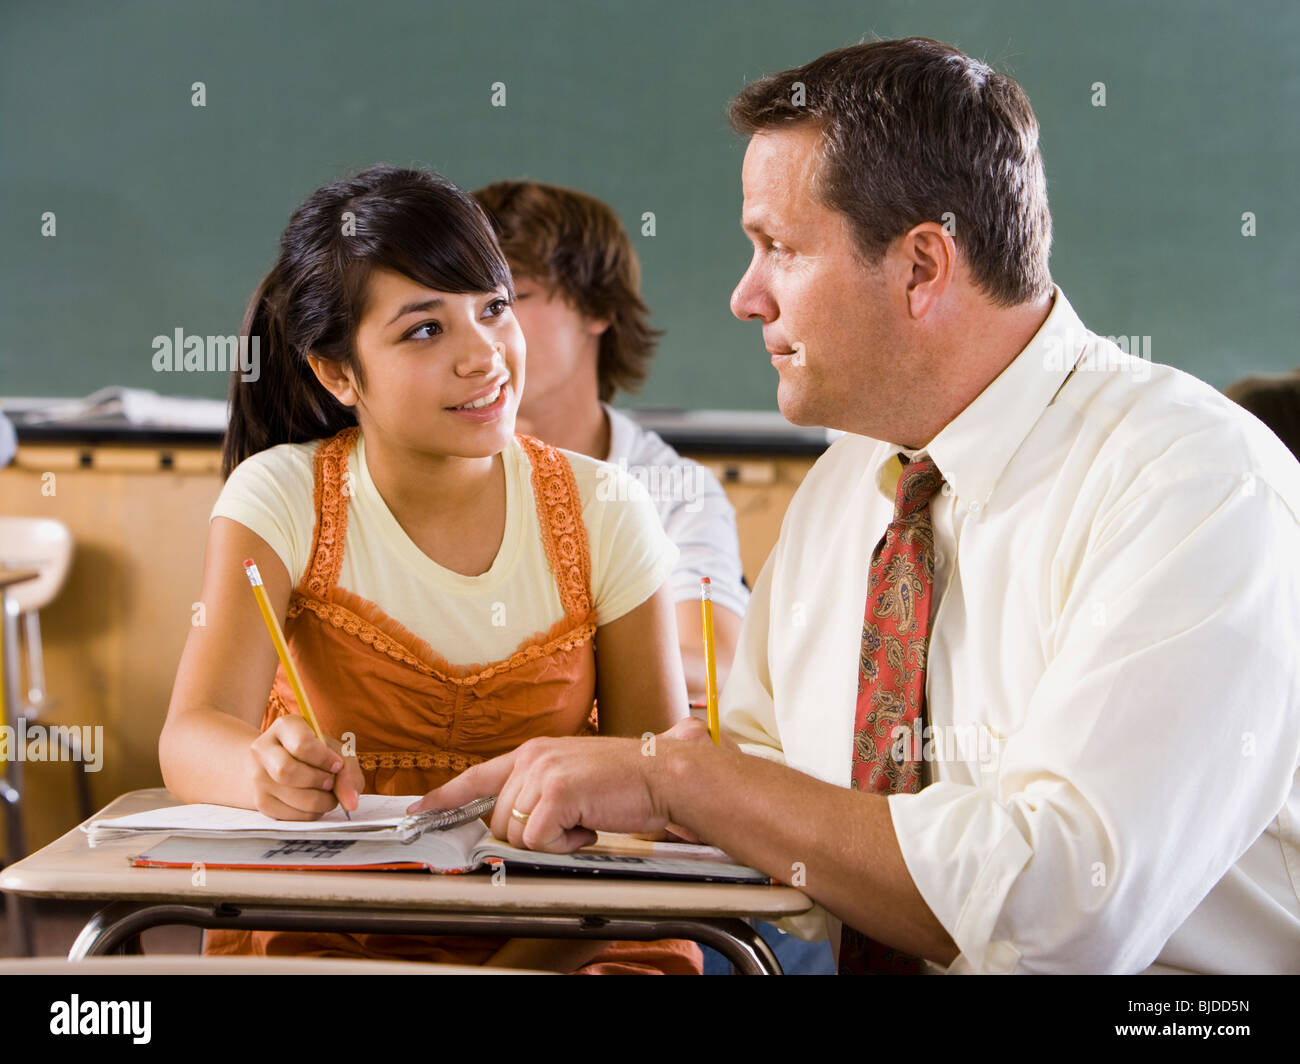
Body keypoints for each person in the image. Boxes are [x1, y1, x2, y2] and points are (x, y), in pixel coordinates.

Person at [414, 38, 1300, 974]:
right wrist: (557, 825)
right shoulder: (850, 485)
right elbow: (765, 795)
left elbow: (1062, 914)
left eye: (779, 249)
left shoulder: (1192, 484)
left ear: (921, 266)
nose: (744, 296)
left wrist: (678, 781)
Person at [157, 165, 702, 974]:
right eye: (424, 330)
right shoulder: (283, 494)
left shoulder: (607, 506)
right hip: (336, 924)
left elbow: (652, 782)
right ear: (337, 372)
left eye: (494, 309)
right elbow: (191, 734)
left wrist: (520, 963)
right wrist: (258, 770)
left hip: (571, 927)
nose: (484, 356)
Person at [471, 180, 747, 703]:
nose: (483, 335)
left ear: (597, 309)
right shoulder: (424, 465)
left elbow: (716, 665)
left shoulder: (674, 490)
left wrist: (519, 669)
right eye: (471, 307)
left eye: (510, 301)